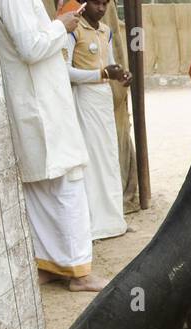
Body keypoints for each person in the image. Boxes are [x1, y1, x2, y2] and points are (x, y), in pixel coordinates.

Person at [0, 0, 105, 293]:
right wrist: (62, 26)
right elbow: (31, 48)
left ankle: (53, 265)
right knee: (68, 184)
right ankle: (79, 273)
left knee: (43, 187)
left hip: (38, 102)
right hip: (40, 106)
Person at [67, 0, 129, 241]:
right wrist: (100, 74)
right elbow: (64, 70)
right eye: (96, 3)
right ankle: (95, 225)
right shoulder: (73, 29)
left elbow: (110, 64)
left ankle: (114, 221)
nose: (101, 9)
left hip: (103, 98)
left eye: (105, 3)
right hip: (85, 98)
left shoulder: (106, 31)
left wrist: (120, 74)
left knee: (108, 157)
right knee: (92, 159)